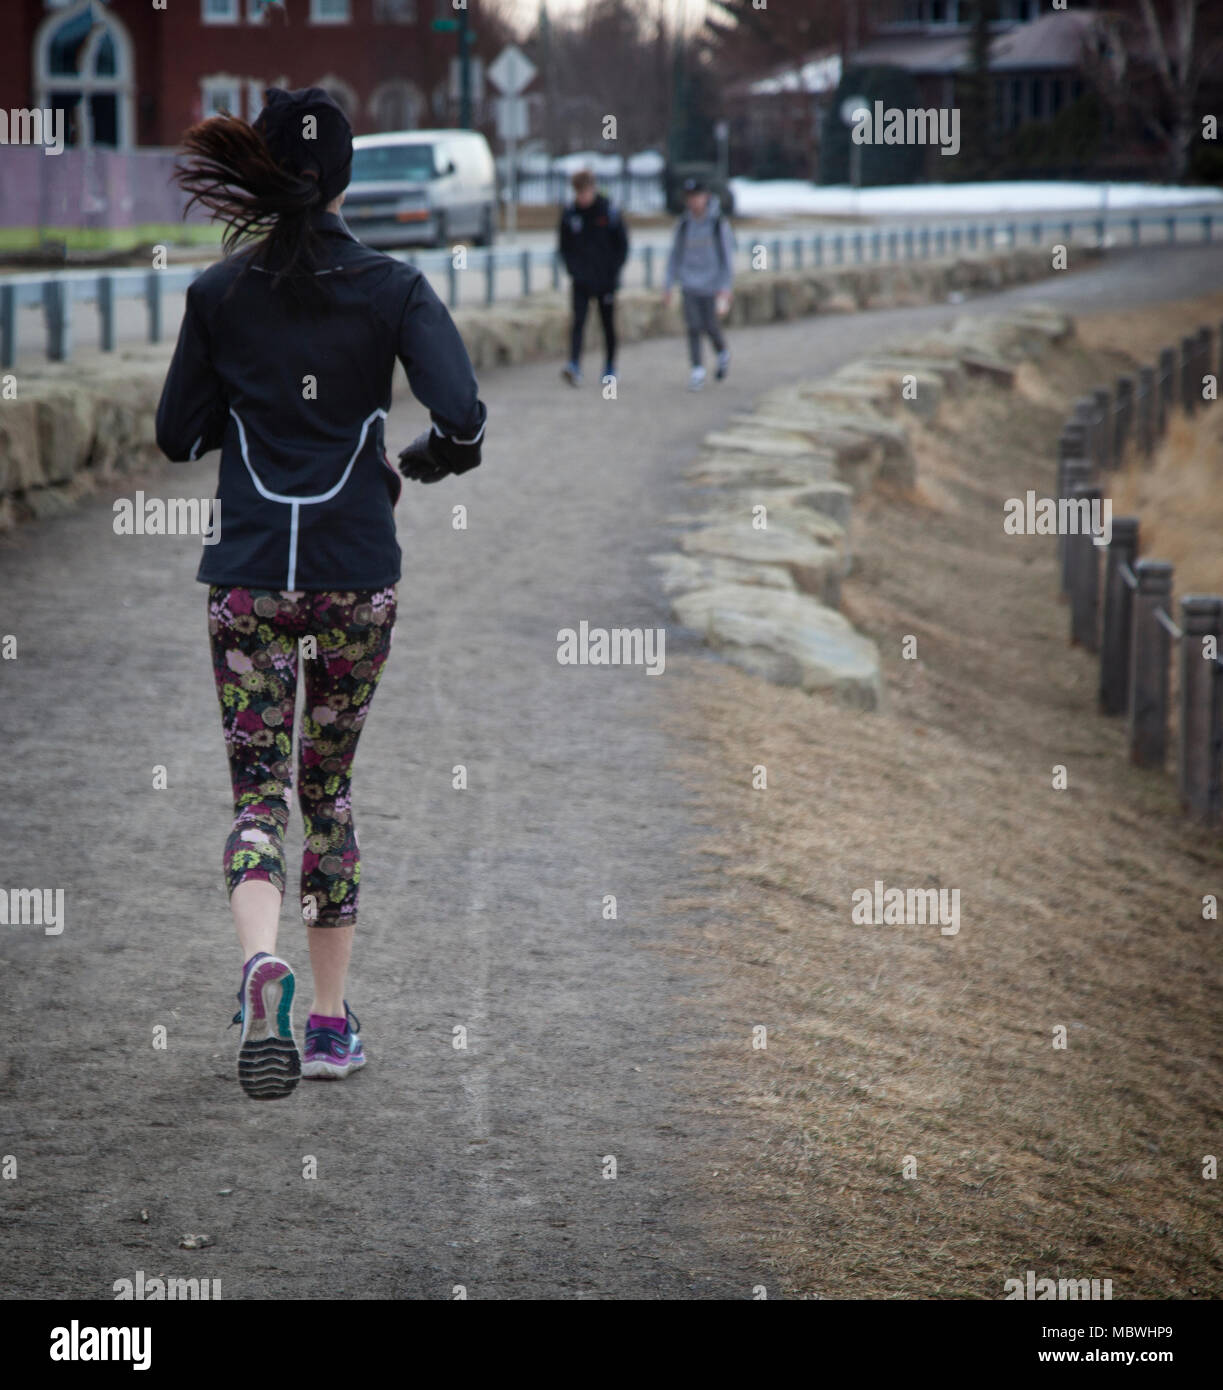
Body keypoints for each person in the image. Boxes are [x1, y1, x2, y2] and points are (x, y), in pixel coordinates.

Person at [156, 87, 487, 1100]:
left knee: (257, 794)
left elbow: (176, 434)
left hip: (249, 579)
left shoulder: (219, 294)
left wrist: (248, 413)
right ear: (344, 175)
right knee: (325, 792)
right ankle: (332, 1026)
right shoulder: (392, 288)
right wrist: (419, 463)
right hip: (354, 578)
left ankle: (263, 963)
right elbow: (463, 417)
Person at [662, 178, 735, 391]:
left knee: (711, 326)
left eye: (697, 197)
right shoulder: (684, 225)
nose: (694, 202)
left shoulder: (717, 224)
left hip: (712, 285)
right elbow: (674, 257)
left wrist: (725, 287)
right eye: (690, 198)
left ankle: (722, 352)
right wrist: (667, 285)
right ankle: (697, 370)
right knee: (693, 327)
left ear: (706, 197)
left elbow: (727, 259)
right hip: (689, 284)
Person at [558, 169, 629, 386]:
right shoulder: (570, 214)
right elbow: (564, 247)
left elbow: (622, 245)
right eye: (579, 193)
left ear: (592, 189)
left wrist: (612, 272)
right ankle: (574, 365)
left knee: (607, 324)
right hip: (581, 280)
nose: (582, 198)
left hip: (605, 281)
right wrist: (573, 270)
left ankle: (609, 367)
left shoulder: (609, 211)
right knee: (578, 322)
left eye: (585, 192)